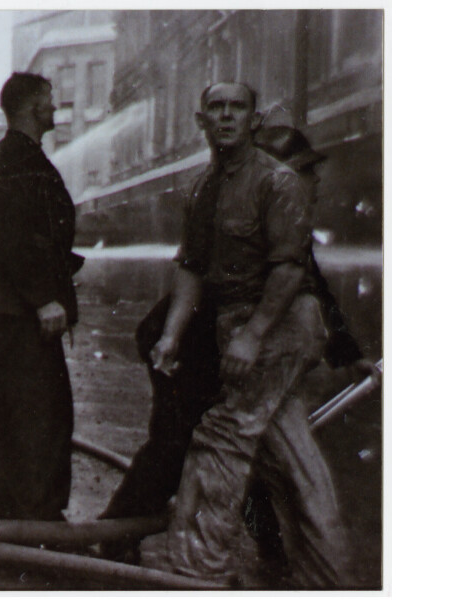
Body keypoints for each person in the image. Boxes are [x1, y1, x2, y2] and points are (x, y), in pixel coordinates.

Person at [144, 82, 350, 588]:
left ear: (255, 120)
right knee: (290, 460)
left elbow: (289, 270)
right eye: (216, 107)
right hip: (239, 328)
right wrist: (172, 336)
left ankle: (195, 570)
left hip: (278, 327)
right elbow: (192, 267)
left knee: (221, 438)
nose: (227, 116)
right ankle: (330, 578)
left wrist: (253, 336)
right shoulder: (203, 187)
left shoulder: (278, 182)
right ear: (202, 120)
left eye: (238, 107)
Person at [0, 72, 85, 521]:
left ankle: (14, 508)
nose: (56, 107)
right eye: (50, 100)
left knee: (21, 409)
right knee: (35, 414)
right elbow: (14, 236)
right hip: (20, 307)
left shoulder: (16, 155)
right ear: (34, 106)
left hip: (15, 303)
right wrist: (43, 298)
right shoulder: (16, 157)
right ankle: (32, 517)